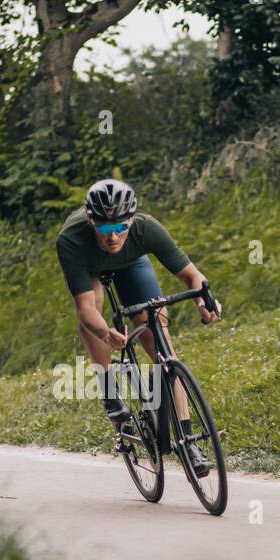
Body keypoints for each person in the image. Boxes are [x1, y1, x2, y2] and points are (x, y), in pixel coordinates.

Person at [55, 178, 221, 474]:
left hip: (131, 265)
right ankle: (109, 388)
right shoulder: (71, 239)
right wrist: (107, 333)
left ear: (131, 220)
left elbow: (193, 277)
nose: (113, 236)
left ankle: (188, 439)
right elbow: (84, 309)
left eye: (121, 227)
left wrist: (202, 302)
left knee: (158, 333)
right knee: (94, 309)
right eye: (105, 228)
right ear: (91, 221)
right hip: (90, 268)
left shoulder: (146, 228)